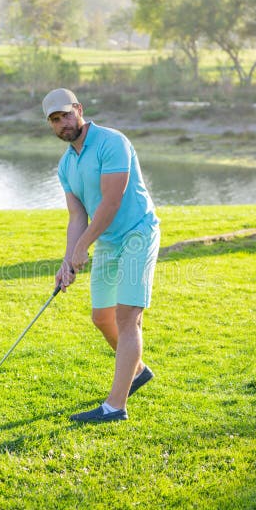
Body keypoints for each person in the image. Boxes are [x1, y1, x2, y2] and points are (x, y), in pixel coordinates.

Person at [42, 88, 161, 423]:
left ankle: (115, 406)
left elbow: (112, 202)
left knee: (126, 318)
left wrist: (83, 248)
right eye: (54, 120)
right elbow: (77, 217)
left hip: (138, 231)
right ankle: (137, 371)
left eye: (65, 115)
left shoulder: (112, 143)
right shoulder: (66, 166)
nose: (61, 124)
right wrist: (68, 260)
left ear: (78, 109)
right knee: (101, 317)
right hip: (108, 239)